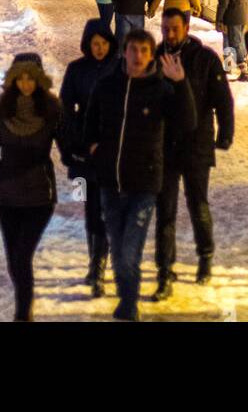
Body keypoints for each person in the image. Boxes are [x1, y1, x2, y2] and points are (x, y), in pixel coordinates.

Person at [83, 29, 195, 321]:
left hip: (144, 185)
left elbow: (186, 123)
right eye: (134, 49)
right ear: (124, 51)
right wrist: (94, 147)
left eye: (145, 51)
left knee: (129, 251)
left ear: (151, 55)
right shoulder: (107, 86)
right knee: (119, 252)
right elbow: (90, 122)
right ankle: (127, 300)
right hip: (110, 183)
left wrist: (181, 84)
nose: (139, 56)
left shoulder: (161, 90)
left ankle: (129, 306)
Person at [152, 8, 234, 297]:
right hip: (164, 146)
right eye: (165, 29)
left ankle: (205, 257)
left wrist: (225, 133)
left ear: (186, 27)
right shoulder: (154, 56)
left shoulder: (205, 60)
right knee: (165, 211)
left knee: (198, 205)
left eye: (174, 29)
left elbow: (223, 99)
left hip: (197, 145)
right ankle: (165, 271)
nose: (169, 35)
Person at [0, 52, 62, 322]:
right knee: (13, 260)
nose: (25, 84)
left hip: (40, 195)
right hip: (8, 197)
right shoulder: (3, 106)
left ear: (38, 80)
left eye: (30, 78)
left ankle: (22, 315)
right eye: (20, 78)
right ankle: (24, 308)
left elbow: (69, 143)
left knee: (21, 257)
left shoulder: (50, 107)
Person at [59, 19, 117, 296]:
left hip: (111, 150)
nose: (100, 48)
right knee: (91, 209)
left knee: (106, 209)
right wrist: (73, 143)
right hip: (85, 152)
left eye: (104, 43)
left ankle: (102, 265)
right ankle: (96, 264)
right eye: (95, 44)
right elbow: (65, 109)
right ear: (87, 44)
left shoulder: (118, 68)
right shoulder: (76, 70)